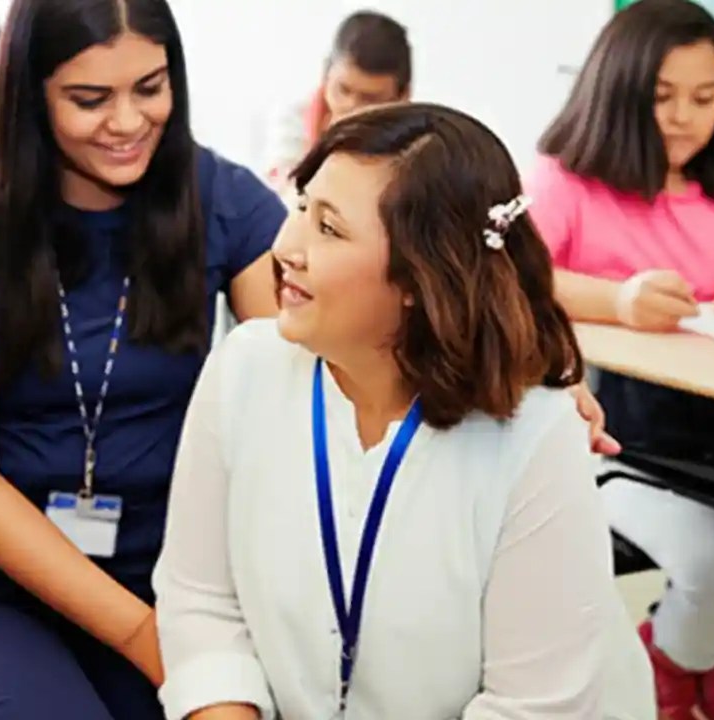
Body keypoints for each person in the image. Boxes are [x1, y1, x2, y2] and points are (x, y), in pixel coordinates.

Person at [0, 1, 616, 717]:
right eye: (90, 99)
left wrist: (517, 380)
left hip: (159, 569)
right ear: (30, 94)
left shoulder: (218, 199)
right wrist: (158, 642)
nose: (128, 121)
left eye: (150, 88)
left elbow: (336, 343)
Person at [154, 103, 654, 720]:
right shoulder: (245, 369)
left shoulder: (534, 435)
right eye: (301, 206)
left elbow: (532, 707)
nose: (285, 247)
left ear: (421, 277)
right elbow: (201, 602)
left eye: (329, 228)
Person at [528, 1, 714, 717]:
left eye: (705, 98)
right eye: (662, 97)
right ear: (617, 92)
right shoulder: (567, 183)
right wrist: (618, 300)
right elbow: (510, 276)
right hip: (624, 445)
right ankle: (676, 662)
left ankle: (676, 659)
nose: (683, 118)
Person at [264, 10, 411, 190]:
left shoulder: (423, 149)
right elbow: (285, 196)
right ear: (326, 75)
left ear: (403, 97)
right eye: (343, 90)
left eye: (370, 99)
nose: (352, 107)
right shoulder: (292, 121)